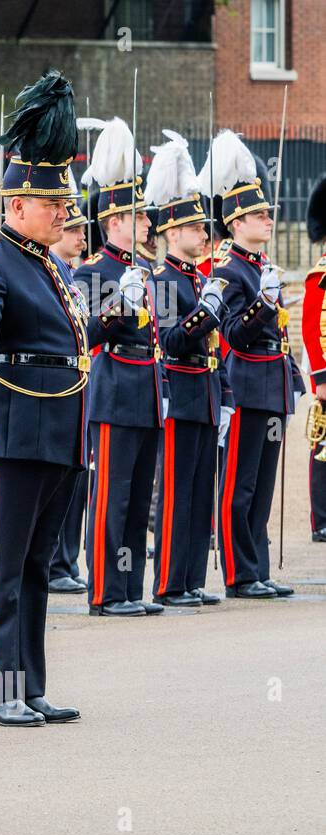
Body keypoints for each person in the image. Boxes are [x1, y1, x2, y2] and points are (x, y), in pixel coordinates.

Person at [0, 70, 87, 727]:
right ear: (16, 206)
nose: (64, 212)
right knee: (3, 567)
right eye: (52, 203)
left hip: (58, 428)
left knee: (36, 565)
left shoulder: (48, 264)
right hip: (10, 428)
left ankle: (29, 684)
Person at [207, 131, 305, 598]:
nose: (269, 220)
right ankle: (240, 572)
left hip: (271, 383)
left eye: (267, 214)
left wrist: (294, 378)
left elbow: (280, 334)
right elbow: (233, 335)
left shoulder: (260, 267)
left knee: (263, 487)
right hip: (245, 383)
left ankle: (258, 568)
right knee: (239, 486)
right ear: (237, 221)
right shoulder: (228, 271)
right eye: (260, 215)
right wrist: (263, 305)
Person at [75, 117, 164, 618]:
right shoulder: (94, 272)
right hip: (112, 390)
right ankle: (106, 590)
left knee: (137, 498)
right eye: (138, 217)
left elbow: (158, 337)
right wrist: (115, 303)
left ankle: (131, 587)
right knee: (112, 497)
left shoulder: (145, 271)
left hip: (146, 391)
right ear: (113, 222)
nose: (148, 224)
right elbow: (86, 333)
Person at [145, 132, 229, 607]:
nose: (204, 234)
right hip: (180, 385)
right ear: (173, 233)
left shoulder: (199, 278)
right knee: (177, 491)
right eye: (196, 228)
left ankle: (193, 578)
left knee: (201, 490)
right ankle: (170, 581)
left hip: (207, 388)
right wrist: (210, 311)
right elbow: (173, 339)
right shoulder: (162, 280)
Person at [47, 189, 91, 593]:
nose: (80, 236)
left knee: (74, 486)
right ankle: (56, 563)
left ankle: (65, 561)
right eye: (73, 229)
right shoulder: (54, 272)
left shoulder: (73, 275)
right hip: (55, 394)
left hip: (79, 390)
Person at [304, 176, 326, 542]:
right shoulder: (318, 275)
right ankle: (321, 519)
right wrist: (321, 378)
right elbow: (310, 329)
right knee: (323, 447)